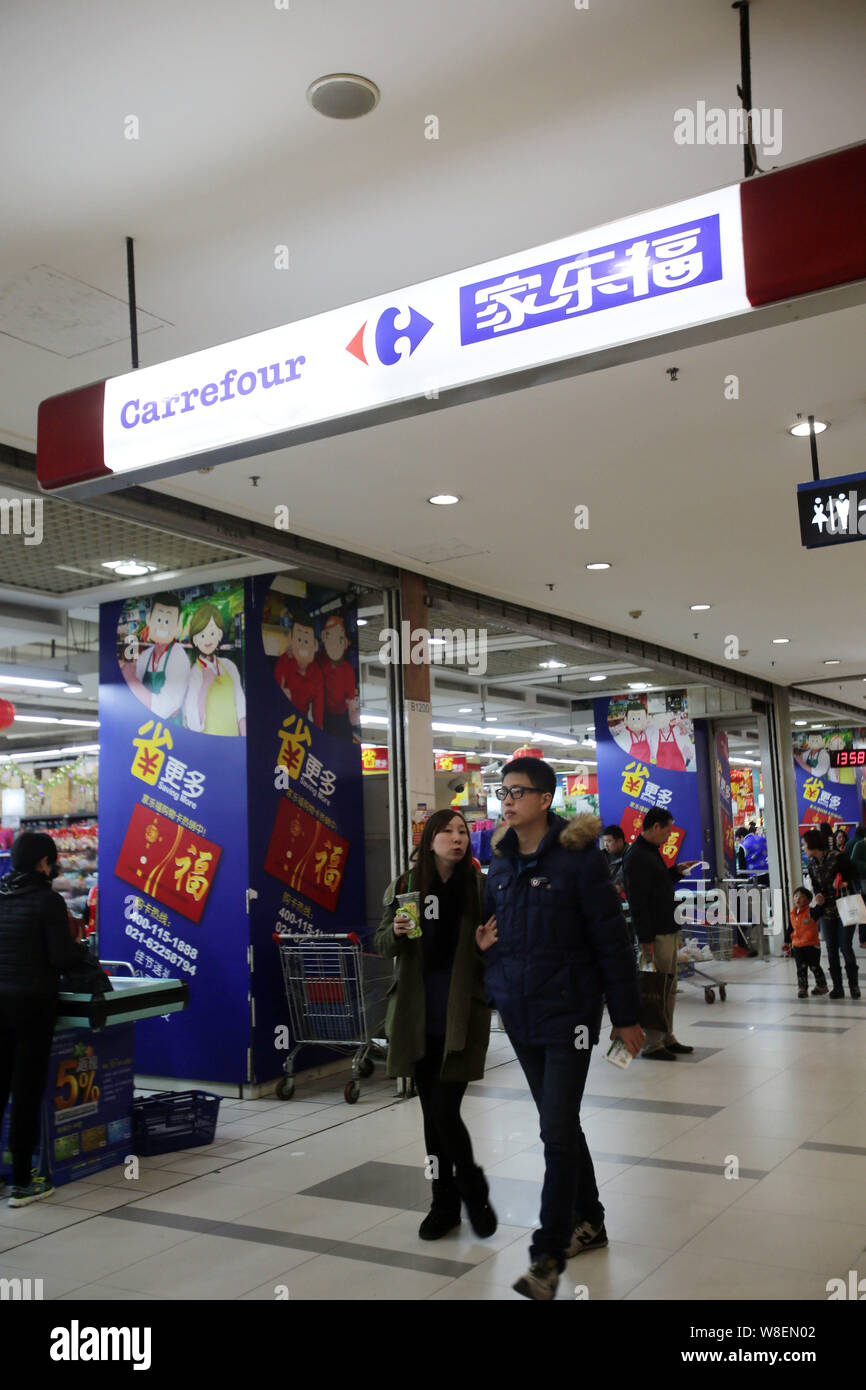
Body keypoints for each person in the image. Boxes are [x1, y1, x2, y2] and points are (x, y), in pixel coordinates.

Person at [482, 757, 642, 1300]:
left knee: (554, 1130)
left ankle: (546, 1258)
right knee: (563, 1123)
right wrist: (491, 967)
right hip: (521, 1016)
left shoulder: (578, 863)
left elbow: (611, 942)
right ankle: (590, 1221)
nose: (507, 800)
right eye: (503, 791)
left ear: (545, 799)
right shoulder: (501, 861)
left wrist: (627, 1016)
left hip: (569, 1017)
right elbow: (492, 931)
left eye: (518, 792)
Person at [376, 809, 497, 1243]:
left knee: (444, 1111)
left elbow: (495, 951)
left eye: (462, 831)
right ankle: (443, 1204)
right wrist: (399, 931)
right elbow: (382, 941)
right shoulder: (406, 887)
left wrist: (483, 947)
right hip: (416, 1014)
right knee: (433, 1116)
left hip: (461, 1014)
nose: (456, 838)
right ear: (429, 840)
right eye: (446, 831)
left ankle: (473, 1192)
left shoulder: (479, 888)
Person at [0, 832, 107, 1207]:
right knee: (26, 1090)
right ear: (44, 863)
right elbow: (61, 957)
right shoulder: (47, 900)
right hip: (32, 1005)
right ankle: (23, 1184)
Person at [623, 807, 699, 1059]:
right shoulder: (636, 856)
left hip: (666, 928)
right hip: (653, 935)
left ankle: (667, 1035)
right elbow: (638, 901)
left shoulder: (650, 852)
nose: (669, 836)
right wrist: (644, 939)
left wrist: (676, 871)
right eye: (667, 830)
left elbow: (657, 886)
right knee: (653, 987)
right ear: (655, 827)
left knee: (667, 986)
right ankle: (652, 1044)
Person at [802, 828, 860, 999]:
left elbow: (854, 873)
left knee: (845, 947)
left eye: (805, 844)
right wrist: (818, 894)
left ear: (813, 844)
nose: (803, 847)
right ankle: (837, 987)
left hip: (844, 908)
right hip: (827, 911)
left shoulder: (836, 857)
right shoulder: (811, 864)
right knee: (831, 949)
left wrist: (845, 883)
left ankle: (854, 986)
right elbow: (815, 885)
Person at [120, 592, 191, 721]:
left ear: (178, 625)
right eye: (158, 620)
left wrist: (131, 679)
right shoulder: (145, 657)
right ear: (149, 620)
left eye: (168, 621)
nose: (162, 625)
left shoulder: (178, 657)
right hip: (146, 731)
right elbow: (129, 699)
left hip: (171, 735)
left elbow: (162, 709)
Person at [183, 602, 247, 736]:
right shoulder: (193, 674)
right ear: (195, 640)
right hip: (209, 748)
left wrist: (244, 741)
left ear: (219, 634)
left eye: (212, 632)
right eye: (202, 635)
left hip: (233, 744)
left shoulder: (229, 666)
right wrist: (205, 684)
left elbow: (241, 706)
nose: (208, 639)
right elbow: (194, 723)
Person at [273, 611, 324, 727]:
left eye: (306, 641)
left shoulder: (316, 673)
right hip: (282, 719)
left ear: (314, 645)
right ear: (291, 640)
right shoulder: (284, 661)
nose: (302, 645)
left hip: (302, 723)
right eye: (299, 640)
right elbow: (273, 694)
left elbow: (318, 712)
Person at [316, 613, 360, 741]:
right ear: (324, 638)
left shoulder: (348, 670)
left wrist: (358, 712)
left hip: (341, 723)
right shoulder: (318, 663)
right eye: (330, 636)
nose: (335, 643)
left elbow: (351, 713)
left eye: (340, 638)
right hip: (321, 720)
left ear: (345, 642)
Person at [788, 886, 828, 998]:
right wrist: (787, 942)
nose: (798, 899)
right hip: (797, 946)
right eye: (796, 896)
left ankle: (822, 986)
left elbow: (819, 910)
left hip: (811, 946)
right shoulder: (792, 914)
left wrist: (820, 903)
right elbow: (790, 928)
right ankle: (802, 988)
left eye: (801, 897)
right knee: (801, 968)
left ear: (809, 900)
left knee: (814, 966)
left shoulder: (811, 912)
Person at [601, 824, 627, 896]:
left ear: (619, 841)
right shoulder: (601, 856)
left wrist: (621, 887)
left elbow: (637, 879)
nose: (605, 844)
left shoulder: (632, 856)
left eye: (609, 841)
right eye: (604, 841)